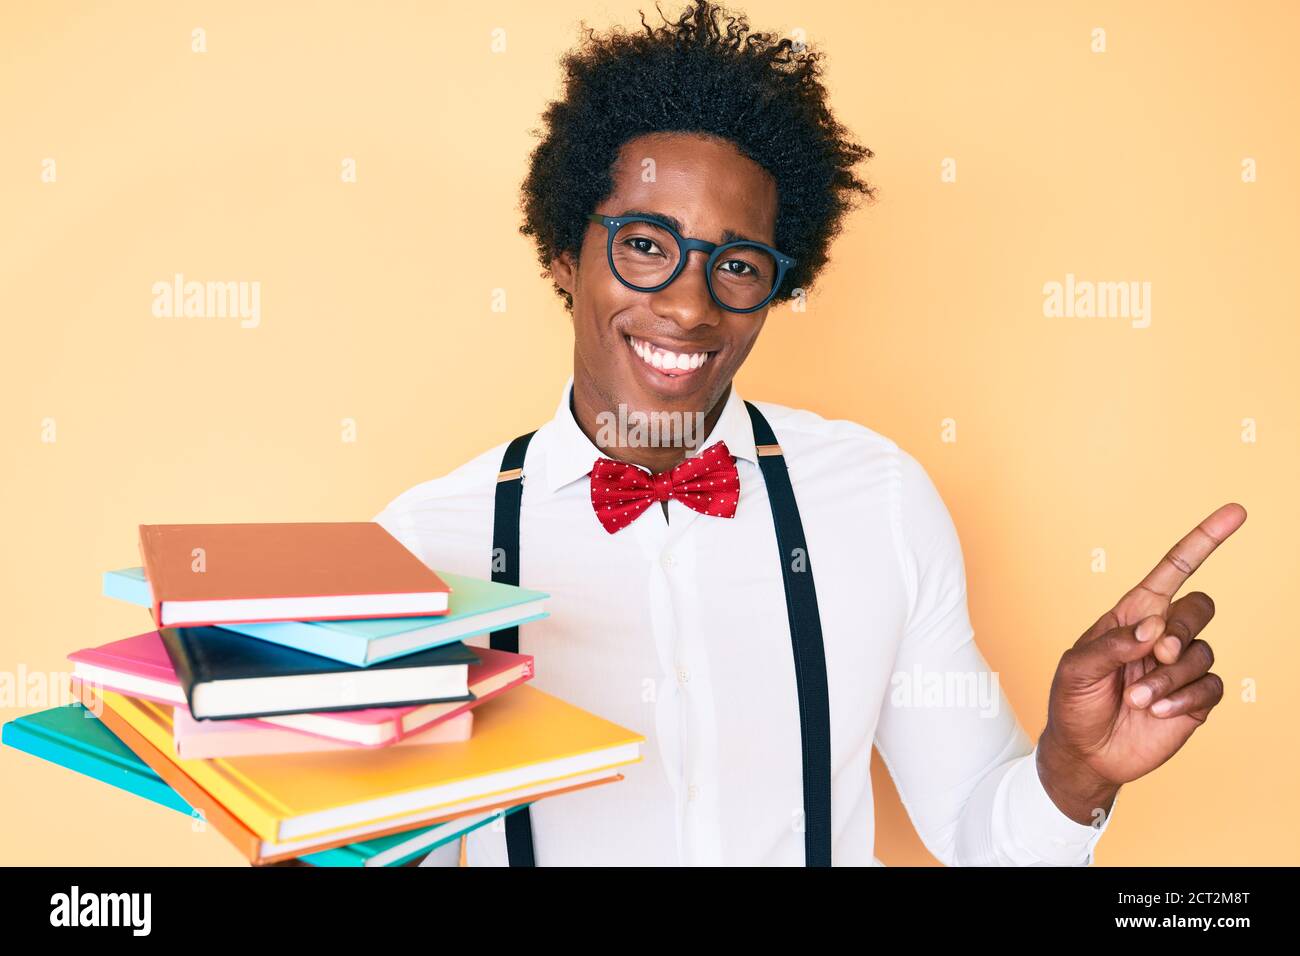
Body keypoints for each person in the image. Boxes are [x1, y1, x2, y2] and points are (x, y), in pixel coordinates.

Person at [375, 0, 1244, 866]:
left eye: (739, 264)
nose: (688, 304)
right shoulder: (419, 551)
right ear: (565, 256)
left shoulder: (878, 501)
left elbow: (986, 839)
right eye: (646, 245)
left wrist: (1075, 771)